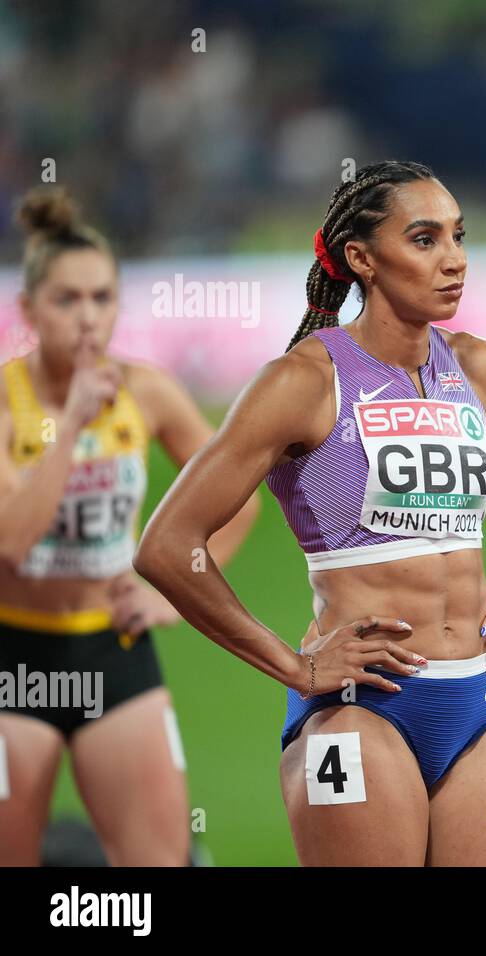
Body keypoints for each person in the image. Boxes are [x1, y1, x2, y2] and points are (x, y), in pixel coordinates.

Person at [135, 160, 486, 866]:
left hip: (477, 704)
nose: (454, 260)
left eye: (459, 236)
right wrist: (293, 666)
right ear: (362, 258)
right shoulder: (304, 381)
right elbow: (167, 544)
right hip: (363, 712)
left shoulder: (478, 369)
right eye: (424, 240)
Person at [0, 186, 259, 865]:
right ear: (28, 310)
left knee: (160, 863)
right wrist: (72, 427)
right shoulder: (7, 402)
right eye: (67, 300)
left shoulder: (146, 392)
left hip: (113, 653)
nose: (87, 317)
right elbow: (11, 542)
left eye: (102, 298)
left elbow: (238, 499)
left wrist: (168, 593)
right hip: (16, 658)